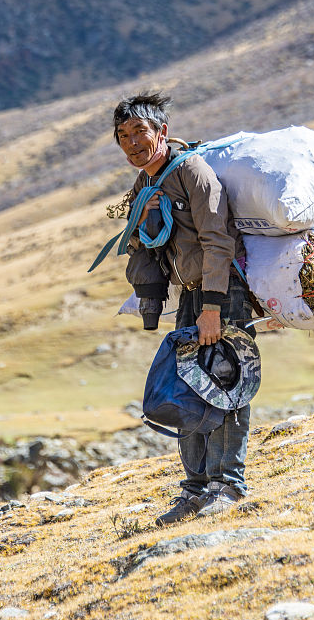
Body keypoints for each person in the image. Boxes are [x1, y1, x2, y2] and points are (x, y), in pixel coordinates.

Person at [112, 91, 254, 525]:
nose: (132, 143)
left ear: (162, 132)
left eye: (140, 131)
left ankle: (227, 486)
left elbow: (217, 241)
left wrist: (212, 308)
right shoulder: (145, 184)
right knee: (187, 389)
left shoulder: (193, 172)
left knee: (225, 385)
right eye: (123, 136)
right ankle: (195, 489)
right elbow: (143, 244)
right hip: (191, 294)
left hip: (221, 291)